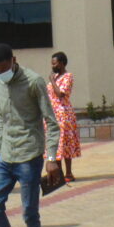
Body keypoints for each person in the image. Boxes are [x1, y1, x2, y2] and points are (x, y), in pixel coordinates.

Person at [0, 43, 61, 227]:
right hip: (6, 156)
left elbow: (52, 123)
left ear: (14, 60)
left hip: (29, 157)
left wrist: (52, 157)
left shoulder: (34, 82)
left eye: (4, 68)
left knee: (30, 214)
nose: (1, 73)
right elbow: (2, 120)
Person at [46, 52, 80, 181]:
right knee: (56, 144)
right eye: (52, 63)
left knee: (66, 143)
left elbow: (60, 94)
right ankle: (58, 173)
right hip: (53, 114)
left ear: (62, 63)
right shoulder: (54, 77)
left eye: (55, 63)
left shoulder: (68, 76)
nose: (52, 65)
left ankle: (69, 173)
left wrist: (52, 81)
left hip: (64, 114)